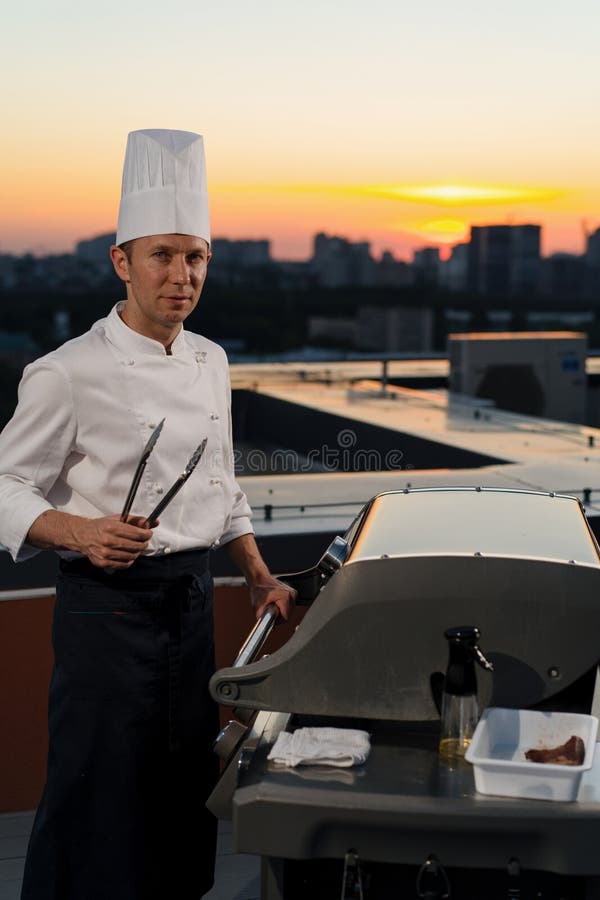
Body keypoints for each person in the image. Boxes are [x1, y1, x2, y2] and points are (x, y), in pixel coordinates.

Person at [0, 128, 294, 900]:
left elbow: (223, 484)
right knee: (99, 793)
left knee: (179, 789)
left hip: (190, 606)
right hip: (105, 612)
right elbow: (5, 484)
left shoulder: (211, 359)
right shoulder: (67, 371)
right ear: (121, 262)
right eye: (161, 255)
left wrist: (257, 575)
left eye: (195, 257)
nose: (181, 275)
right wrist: (81, 531)